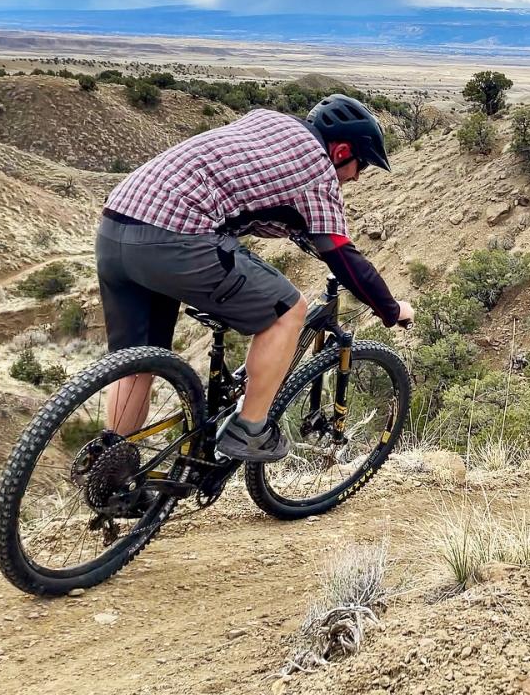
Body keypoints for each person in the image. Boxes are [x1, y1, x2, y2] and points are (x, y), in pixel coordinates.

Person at [95, 94, 413, 462]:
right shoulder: (318, 171)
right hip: (175, 237)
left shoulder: (267, 123)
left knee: (139, 364)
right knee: (290, 310)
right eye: (361, 166)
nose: (356, 177)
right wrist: (391, 310)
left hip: (115, 227)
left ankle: (113, 472)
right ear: (341, 151)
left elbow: (261, 197)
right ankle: (249, 430)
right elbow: (343, 256)